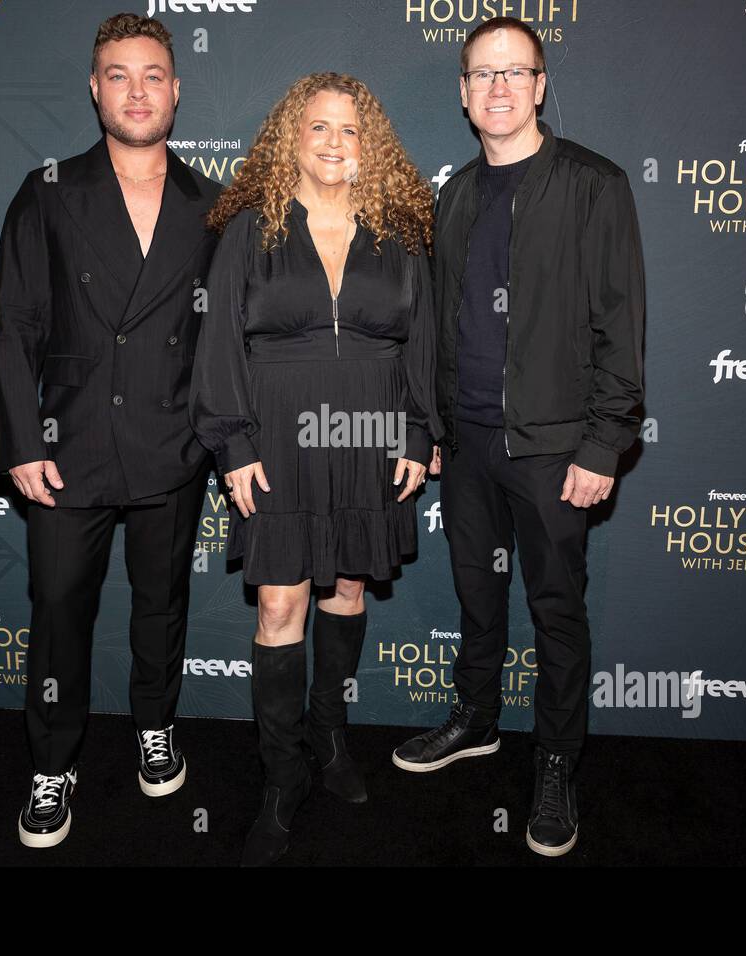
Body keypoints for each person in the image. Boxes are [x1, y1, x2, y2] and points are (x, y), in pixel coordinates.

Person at [391, 17, 646, 858]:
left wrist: (603, 445)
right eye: (481, 74)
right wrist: (429, 427)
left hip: (551, 449)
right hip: (465, 443)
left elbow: (620, 326)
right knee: (476, 596)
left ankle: (558, 762)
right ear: (463, 94)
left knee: (556, 611)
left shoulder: (593, 185)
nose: (498, 88)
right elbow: (440, 326)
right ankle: (476, 720)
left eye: (515, 72)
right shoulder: (455, 194)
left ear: (540, 85)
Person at [189, 72, 442, 866]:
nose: (335, 143)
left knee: (349, 587)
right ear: (289, 139)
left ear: (372, 145)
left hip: (370, 433)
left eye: (350, 130)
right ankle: (281, 771)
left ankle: (331, 737)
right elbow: (219, 345)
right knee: (279, 605)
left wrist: (417, 431)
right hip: (278, 440)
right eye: (319, 128)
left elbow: (422, 342)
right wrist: (233, 444)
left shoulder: (400, 233)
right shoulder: (249, 231)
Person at [0, 13, 223, 848]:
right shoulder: (47, 189)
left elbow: (223, 336)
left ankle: (154, 727)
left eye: (153, 74)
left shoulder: (211, 205)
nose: (137, 90)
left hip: (170, 443)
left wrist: (218, 439)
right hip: (67, 443)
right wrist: (21, 441)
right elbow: (14, 323)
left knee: (162, 606)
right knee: (58, 612)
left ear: (176, 88)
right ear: (95, 88)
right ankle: (53, 763)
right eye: (118, 75)